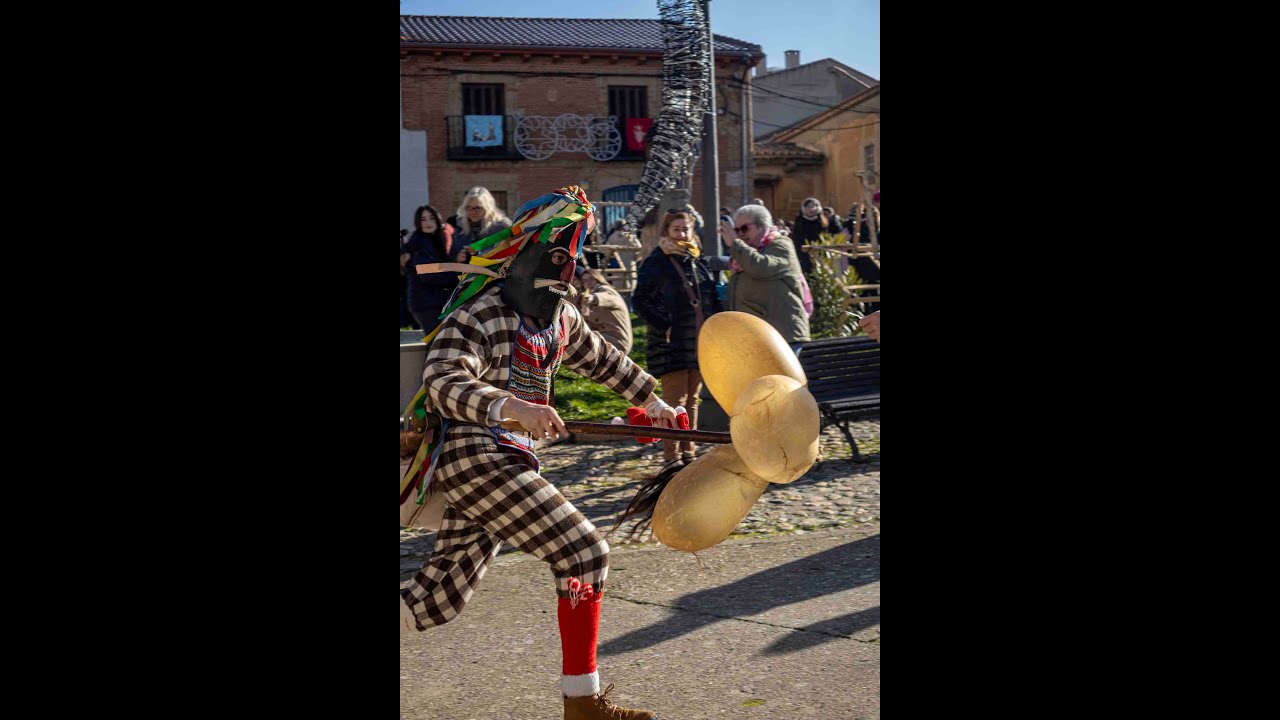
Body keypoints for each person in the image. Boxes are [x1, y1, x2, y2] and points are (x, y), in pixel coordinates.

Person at [402, 187, 677, 720]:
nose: (563, 270)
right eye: (553, 256)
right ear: (520, 255)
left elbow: (605, 361)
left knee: (435, 601)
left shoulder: (561, 319)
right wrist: (511, 407)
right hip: (474, 458)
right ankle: (583, 702)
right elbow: (442, 381)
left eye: (570, 260)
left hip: (510, 463)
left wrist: (653, 400)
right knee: (584, 553)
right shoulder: (479, 314)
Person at [633, 211, 723, 465]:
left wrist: (718, 324)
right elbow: (640, 300)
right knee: (673, 401)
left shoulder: (697, 258)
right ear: (666, 231)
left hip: (697, 340)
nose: (682, 234)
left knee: (693, 400)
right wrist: (664, 324)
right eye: (676, 229)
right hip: (671, 342)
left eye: (686, 229)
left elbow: (711, 296)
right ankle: (671, 457)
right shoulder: (657, 262)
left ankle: (689, 452)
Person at [715, 205, 811, 347]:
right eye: (736, 230)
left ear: (762, 226)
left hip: (784, 337)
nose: (740, 234)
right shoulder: (744, 254)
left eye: (745, 228)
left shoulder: (781, 245)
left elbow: (761, 267)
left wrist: (735, 243)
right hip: (758, 336)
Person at [401, 206, 466, 331]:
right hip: (426, 304)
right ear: (418, 222)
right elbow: (431, 275)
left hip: (436, 301)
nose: (428, 223)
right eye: (423, 219)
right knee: (437, 345)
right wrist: (458, 270)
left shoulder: (436, 240)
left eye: (431, 218)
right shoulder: (418, 243)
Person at [573, 268, 634, 355]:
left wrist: (594, 298)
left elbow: (609, 297)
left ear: (598, 279)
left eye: (591, 279)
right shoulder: (585, 298)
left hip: (617, 340)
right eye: (584, 281)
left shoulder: (605, 289)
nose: (588, 283)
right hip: (602, 338)